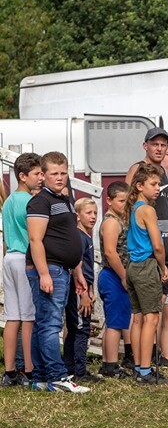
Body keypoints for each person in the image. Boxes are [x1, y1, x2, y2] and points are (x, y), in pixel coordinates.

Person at [25, 151, 90, 393]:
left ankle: (41, 377)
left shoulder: (63, 199)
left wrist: (78, 272)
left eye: (63, 173)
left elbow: (69, 238)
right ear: (43, 175)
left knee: (44, 323)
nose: (60, 178)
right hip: (50, 268)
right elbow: (35, 239)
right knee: (50, 324)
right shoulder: (40, 201)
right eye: (54, 173)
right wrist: (43, 274)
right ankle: (57, 376)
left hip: (65, 269)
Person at [1, 153, 43, 386]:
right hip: (25, 258)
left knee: (12, 317)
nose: (41, 178)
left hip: (9, 257)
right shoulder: (29, 201)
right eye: (36, 174)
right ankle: (28, 369)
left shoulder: (8, 201)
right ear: (23, 176)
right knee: (28, 318)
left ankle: (9, 371)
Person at [125, 164, 168, 385]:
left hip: (133, 266)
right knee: (151, 317)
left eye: (159, 183)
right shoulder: (148, 210)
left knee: (138, 319)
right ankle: (144, 370)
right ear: (140, 186)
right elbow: (157, 245)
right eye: (153, 184)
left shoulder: (133, 208)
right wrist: (163, 267)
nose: (158, 188)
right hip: (146, 265)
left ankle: (137, 366)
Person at [97, 181, 133, 379]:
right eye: (121, 201)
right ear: (109, 200)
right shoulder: (111, 222)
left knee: (116, 321)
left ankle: (107, 363)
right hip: (113, 275)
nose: (124, 205)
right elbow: (111, 253)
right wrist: (124, 276)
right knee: (115, 324)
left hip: (116, 275)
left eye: (127, 201)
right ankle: (111, 365)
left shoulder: (120, 219)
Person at [63, 197, 99, 384]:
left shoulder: (87, 236)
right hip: (77, 290)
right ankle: (78, 370)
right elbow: (78, 267)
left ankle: (70, 366)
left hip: (86, 289)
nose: (93, 217)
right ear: (77, 215)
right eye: (88, 213)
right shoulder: (78, 236)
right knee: (80, 329)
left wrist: (91, 290)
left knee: (77, 327)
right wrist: (83, 294)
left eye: (95, 213)